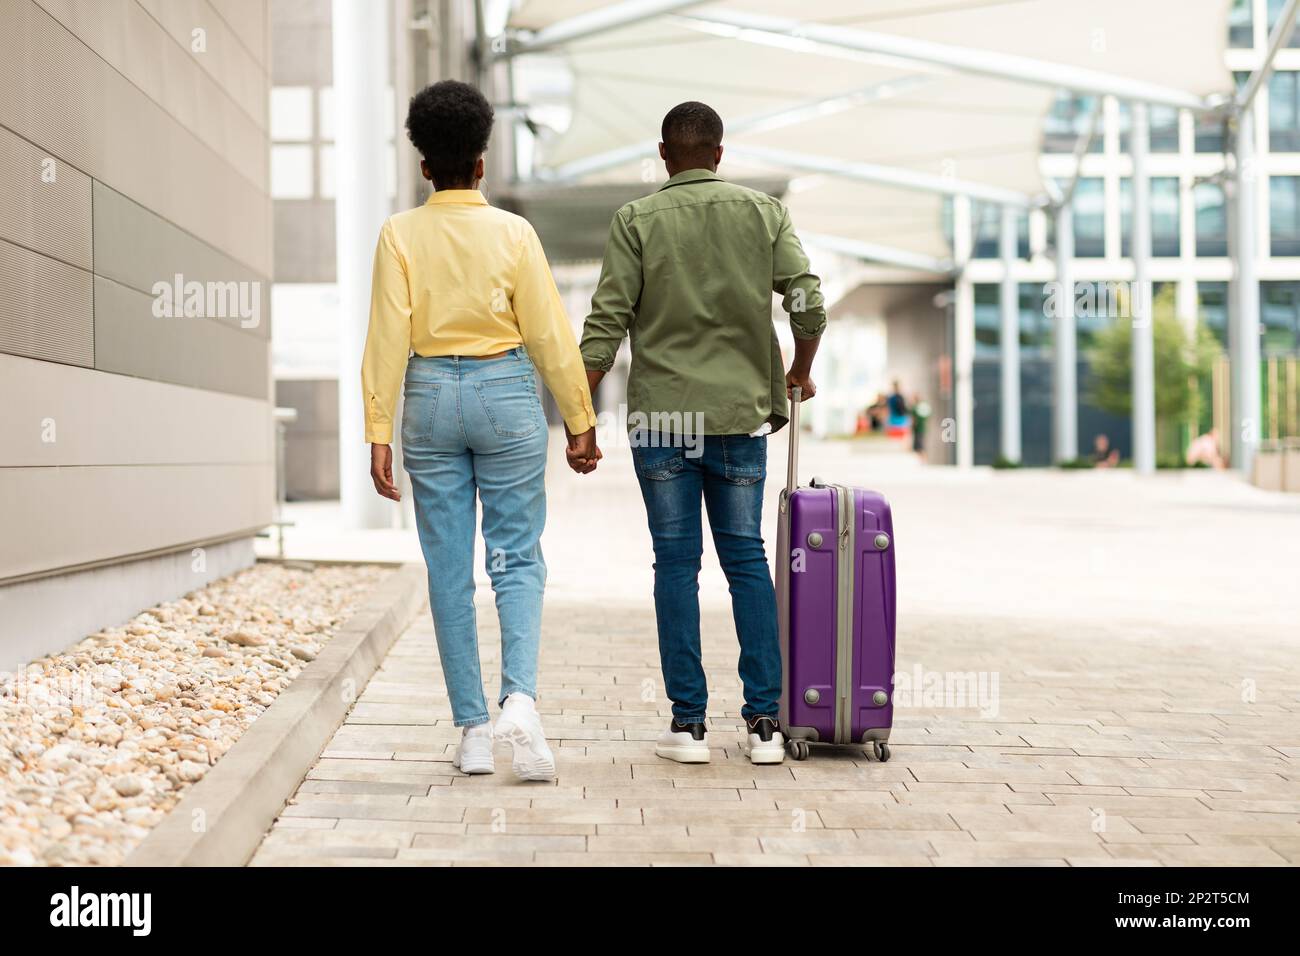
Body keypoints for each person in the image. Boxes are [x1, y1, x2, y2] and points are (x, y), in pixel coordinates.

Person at [360, 80, 600, 782]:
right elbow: (550, 333)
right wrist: (580, 420)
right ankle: (519, 702)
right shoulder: (514, 233)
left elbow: (386, 338)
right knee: (517, 557)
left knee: (447, 567)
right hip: (506, 393)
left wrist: (379, 428)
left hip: (430, 396)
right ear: (483, 162)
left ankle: (470, 728)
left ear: (426, 166)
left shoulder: (400, 234)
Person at [579, 101, 826, 766]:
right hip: (738, 414)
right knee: (746, 561)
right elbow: (807, 300)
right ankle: (764, 725)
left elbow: (606, 322)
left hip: (666, 418)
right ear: (719, 154)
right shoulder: (763, 213)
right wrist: (799, 372)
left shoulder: (636, 219)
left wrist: (579, 417)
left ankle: (688, 727)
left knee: (676, 566)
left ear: (665, 155)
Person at [910, 393, 931, 461]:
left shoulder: (917, 407)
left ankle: (923, 459)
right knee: (919, 445)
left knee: (920, 445)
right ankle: (922, 460)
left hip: (919, 429)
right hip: (920, 428)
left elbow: (914, 420)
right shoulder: (922, 406)